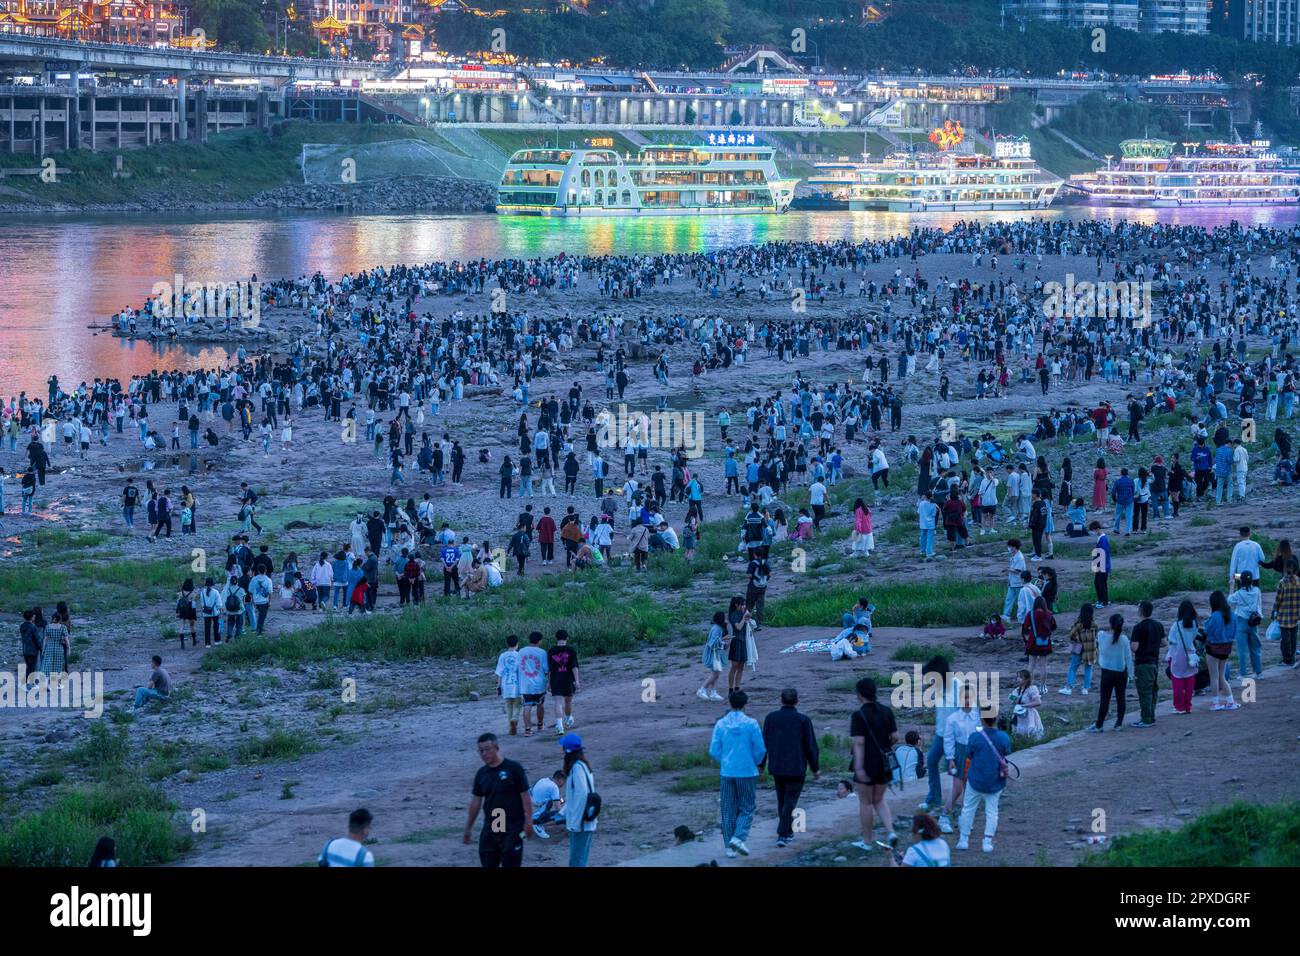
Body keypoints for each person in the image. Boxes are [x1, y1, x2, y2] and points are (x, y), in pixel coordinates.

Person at [708, 690, 766, 858]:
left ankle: (728, 847)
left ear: (730, 703)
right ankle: (738, 837)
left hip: (727, 772)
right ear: (745, 705)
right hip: (747, 772)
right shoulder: (752, 724)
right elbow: (760, 749)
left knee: (728, 809)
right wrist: (755, 761)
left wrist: (725, 760)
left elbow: (714, 750)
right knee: (747, 807)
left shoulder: (721, 724)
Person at [761, 688, 821, 848]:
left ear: (780, 700)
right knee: (790, 800)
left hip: (777, 766)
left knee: (782, 799)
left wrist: (761, 764)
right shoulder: (803, 720)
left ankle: (786, 832)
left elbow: (763, 744)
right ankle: (782, 832)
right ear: (797, 701)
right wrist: (815, 768)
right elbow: (810, 746)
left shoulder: (771, 718)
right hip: (796, 766)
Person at [464, 732, 532, 868]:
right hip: (491, 828)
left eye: (487, 749)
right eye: (481, 750)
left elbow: (525, 796)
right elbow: (476, 801)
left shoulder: (513, 769)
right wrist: (468, 828)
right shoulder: (481, 774)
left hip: (513, 829)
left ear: (497, 748)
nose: (484, 753)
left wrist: (529, 821)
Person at [849, 676, 898, 853]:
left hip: (867, 762)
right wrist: (885, 746)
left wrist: (859, 767)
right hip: (883, 762)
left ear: (860, 694)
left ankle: (867, 841)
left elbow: (859, 743)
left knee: (866, 802)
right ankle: (891, 832)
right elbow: (895, 737)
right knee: (879, 799)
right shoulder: (886, 711)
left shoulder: (858, 715)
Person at [955, 711, 1012, 854]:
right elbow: (1006, 752)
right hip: (995, 780)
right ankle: (987, 841)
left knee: (968, 808)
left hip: (976, 780)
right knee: (992, 811)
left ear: (982, 719)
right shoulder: (1003, 737)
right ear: (996, 719)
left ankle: (963, 840)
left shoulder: (975, 737)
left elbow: (969, 754)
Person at [1090, 614, 1134, 732]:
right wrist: (1131, 674)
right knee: (1121, 698)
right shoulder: (1124, 639)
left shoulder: (1102, 636)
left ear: (1110, 624)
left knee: (1105, 699)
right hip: (1121, 673)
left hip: (1107, 673)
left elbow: (1098, 638)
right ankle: (1118, 723)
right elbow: (1128, 658)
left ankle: (1099, 724)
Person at [561, 733, 598, 867]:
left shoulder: (577, 768)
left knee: (576, 862)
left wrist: (575, 823)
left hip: (580, 824)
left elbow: (582, 795)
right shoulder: (583, 765)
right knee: (579, 860)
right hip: (582, 822)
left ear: (567, 751)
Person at [1130, 600, 1164, 727]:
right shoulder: (1158, 625)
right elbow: (1164, 643)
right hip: (1154, 662)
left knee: (1144, 692)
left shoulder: (1138, 628)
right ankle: (1151, 716)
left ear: (1141, 611)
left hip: (1142, 663)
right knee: (1153, 690)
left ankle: (1146, 719)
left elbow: (1134, 647)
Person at [1203, 590, 1239, 710]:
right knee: (1222, 676)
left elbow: (1207, 630)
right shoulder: (1232, 615)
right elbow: (1234, 632)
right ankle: (1230, 701)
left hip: (1212, 648)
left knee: (1214, 676)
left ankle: (1215, 702)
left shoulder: (1215, 616)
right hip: (1226, 648)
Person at [1227, 570, 1263, 681]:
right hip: (1253, 622)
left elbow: (1229, 600)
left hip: (1241, 621)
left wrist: (1232, 586)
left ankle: (1243, 673)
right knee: (1255, 648)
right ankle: (1258, 672)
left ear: (1241, 581)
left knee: (1242, 650)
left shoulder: (1239, 594)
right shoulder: (1257, 591)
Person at [1167, 599, 1201, 715]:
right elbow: (1193, 638)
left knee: (1177, 682)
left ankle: (1179, 707)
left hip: (1177, 655)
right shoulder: (1195, 624)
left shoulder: (1176, 625)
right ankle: (1188, 706)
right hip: (1191, 653)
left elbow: (1171, 640)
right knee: (1189, 681)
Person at [1059, 603, 1097, 695]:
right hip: (1090, 648)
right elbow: (1096, 634)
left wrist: (1075, 639)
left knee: (1073, 667)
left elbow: (1071, 634)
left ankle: (1069, 687)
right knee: (1088, 668)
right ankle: (1085, 688)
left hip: (1078, 647)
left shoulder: (1078, 624)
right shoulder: (1094, 624)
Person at [547, 629, 580, 734]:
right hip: (568, 679)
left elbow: (549, 669)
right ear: (567, 638)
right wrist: (577, 681)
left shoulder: (551, 651)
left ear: (556, 638)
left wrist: (549, 682)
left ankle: (560, 726)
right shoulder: (571, 650)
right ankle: (568, 718)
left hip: (555, 679)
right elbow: (574, 667)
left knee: (558, 703)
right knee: (568, 701)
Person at [518, 631, 549, 736]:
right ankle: (540, 725)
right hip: (539, 684)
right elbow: (545, 669)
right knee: (540, 704)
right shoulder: (542, 652)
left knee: (527, 706)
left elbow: (518, 667)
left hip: (525, 685)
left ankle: (527, 729)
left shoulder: (521, 651)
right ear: (539, 641)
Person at [1273, 557, 1300, 668]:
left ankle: (1286, 659)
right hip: (1296, 615)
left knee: (1285, 639)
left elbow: (1278, 599)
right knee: (1293, 637)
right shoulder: (1299, 581)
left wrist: (1274, 611)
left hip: (1284, 616)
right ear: (1296, 569)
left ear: (1285, 569)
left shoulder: (1282, 582)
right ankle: (1292, 657)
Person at [494, 634, 523, 736]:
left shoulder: (502, 656)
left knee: (508, 705)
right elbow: (522, 672)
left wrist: (498, 686)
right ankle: (514, 719)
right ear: (517, 644)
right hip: (517, 686)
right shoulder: (519, 655)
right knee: (517, 705)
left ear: (507, 643)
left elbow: (500, 672)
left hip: (505, 686)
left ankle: (511, 726)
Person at [698, 611, 727, 701]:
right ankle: (702, 689)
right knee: (716, 673)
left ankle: (713, 692)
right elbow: (713, 643)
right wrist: (723, 639)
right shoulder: (717, 629)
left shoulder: (716, 627)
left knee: (716, 673)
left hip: (716, 653)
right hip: (714, 654)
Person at [1008, 669, 1043, 738]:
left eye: (1020, 677)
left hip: (1029, 715)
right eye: (1017, 677)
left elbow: (1038, 702)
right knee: (1018, 734)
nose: (1018, 679)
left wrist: (1024, 706)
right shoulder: (1017, 690)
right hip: (1018, 715)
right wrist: (1015, 701)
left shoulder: (1032, 689)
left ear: (1026, 679)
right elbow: (1012, 700)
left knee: (1031, 733)